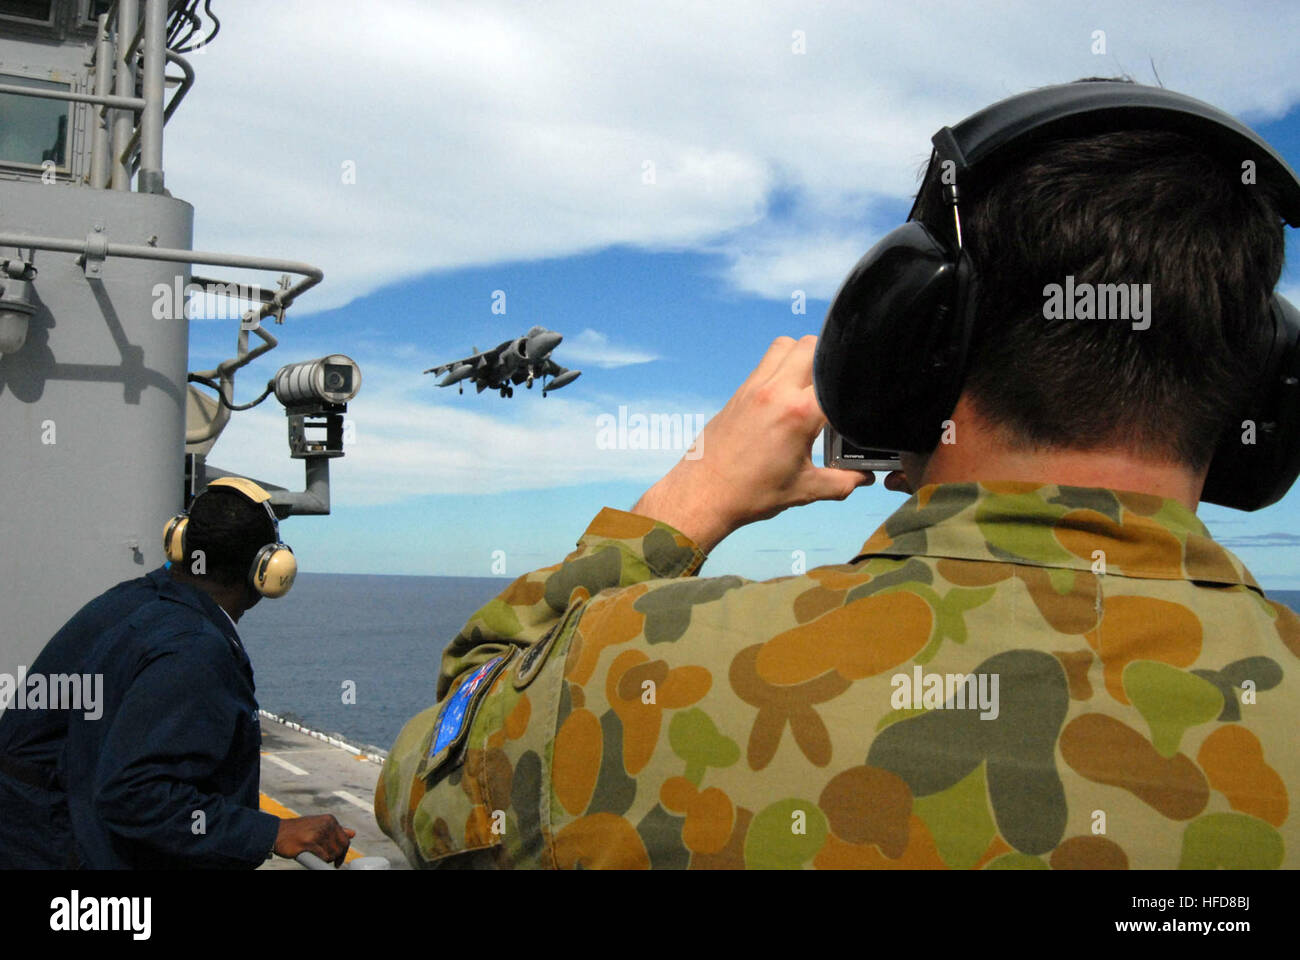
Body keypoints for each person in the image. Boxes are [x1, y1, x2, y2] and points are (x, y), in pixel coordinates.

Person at [377, 80, 1300, 869]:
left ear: (902, 346)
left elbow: (426, 772)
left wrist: (684, 502)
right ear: (1261, 383)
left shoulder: (625, 673)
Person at [0, 478, 354, 869]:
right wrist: (272, 833)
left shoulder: (130, 600)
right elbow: (132, 794)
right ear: (267, 572)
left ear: (179, 541)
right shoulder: (194, 648)